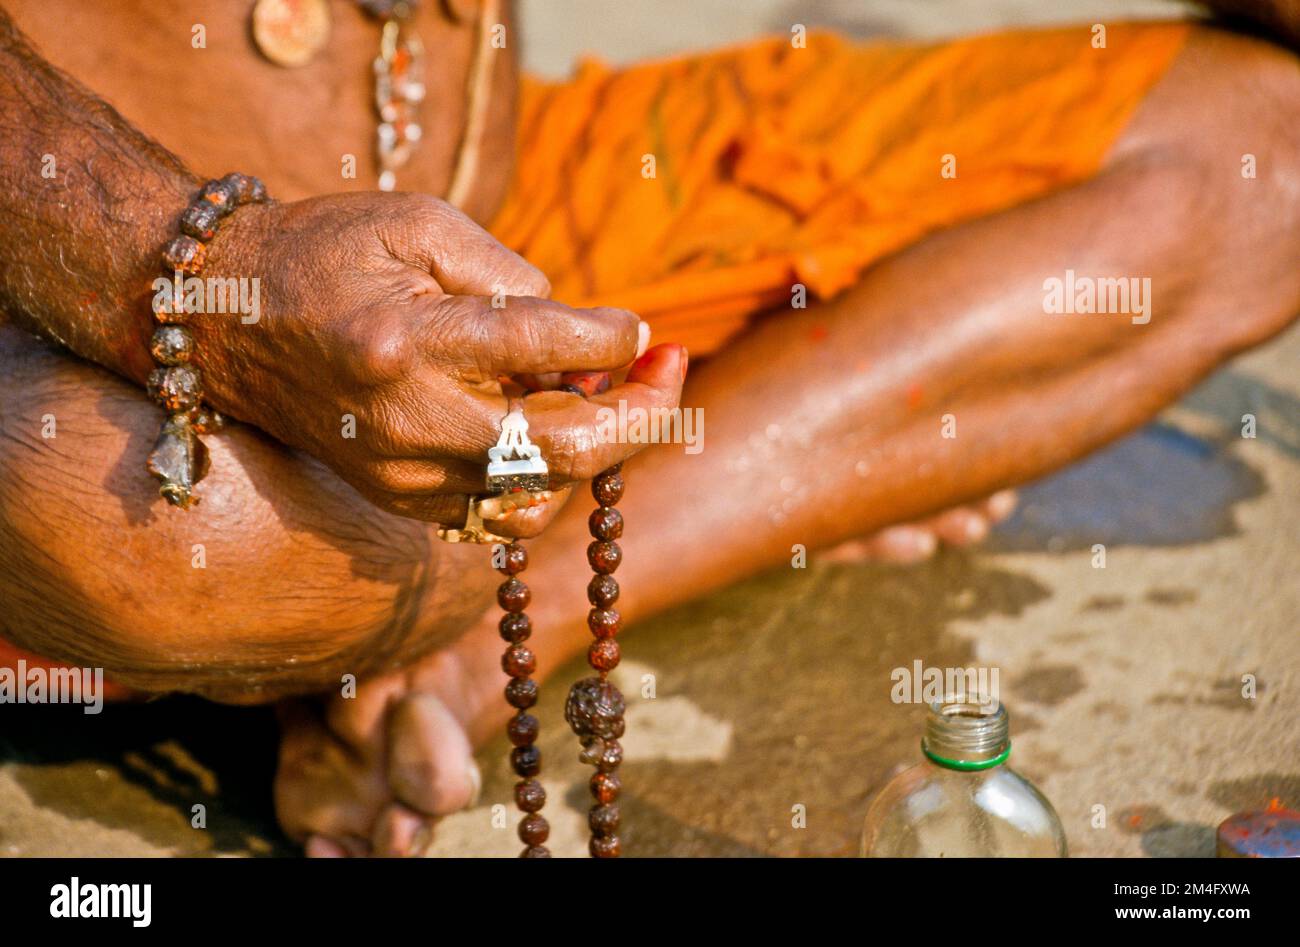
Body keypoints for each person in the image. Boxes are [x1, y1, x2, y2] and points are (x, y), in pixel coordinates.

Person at [0, 0, 1296, 856]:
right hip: (83, 276)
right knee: (145, 512)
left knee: (1259, 161)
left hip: (506, 208)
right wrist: (201, 283)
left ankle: (463, 655)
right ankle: (392, 605)